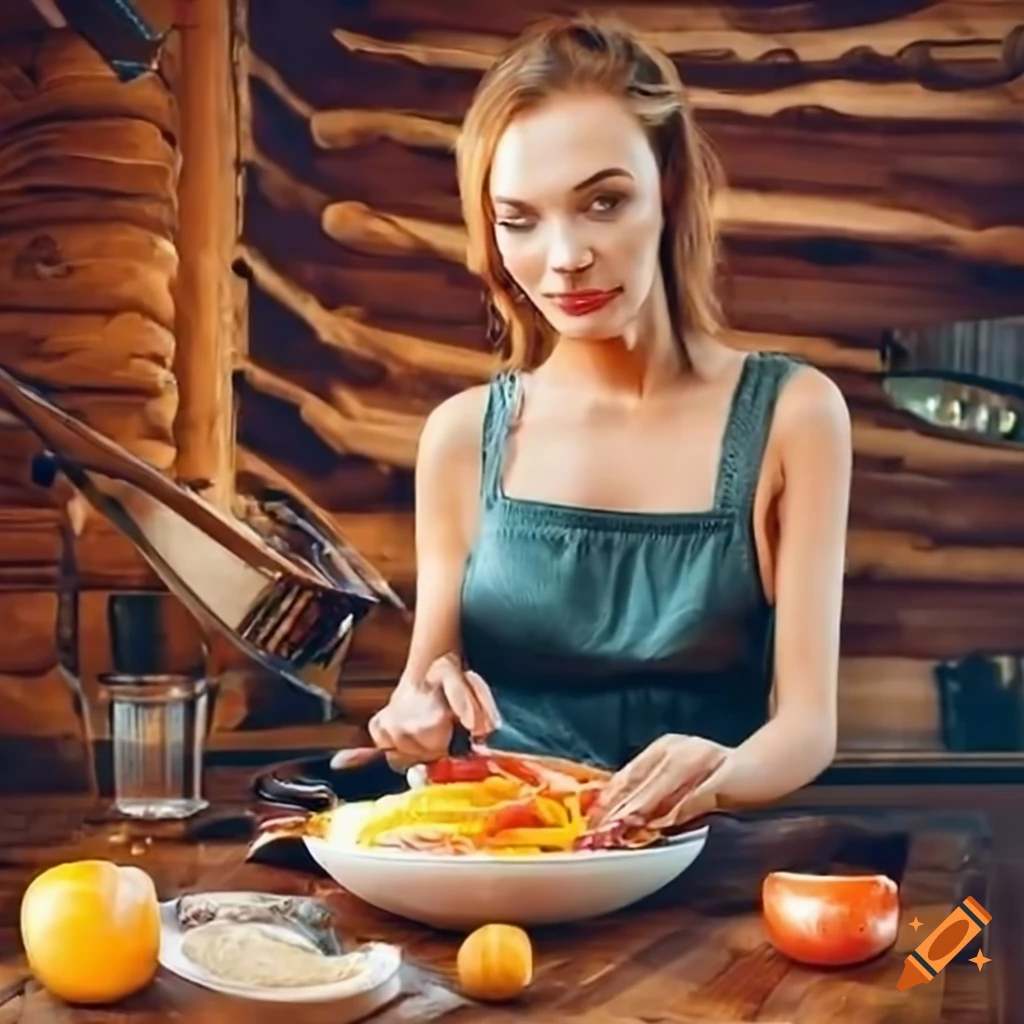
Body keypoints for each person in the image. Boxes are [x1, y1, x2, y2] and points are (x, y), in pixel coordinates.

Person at [337, 14, 852, 831]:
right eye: (520, 220)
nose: (564, 255)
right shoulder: (461, 437)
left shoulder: (795, 415)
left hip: (691, 866)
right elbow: (424, 691)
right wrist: (413, 722)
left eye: (602, 202)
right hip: (497, 863)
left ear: (671, 187)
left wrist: (719, 773)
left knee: (955, 954)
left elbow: (806, 727)